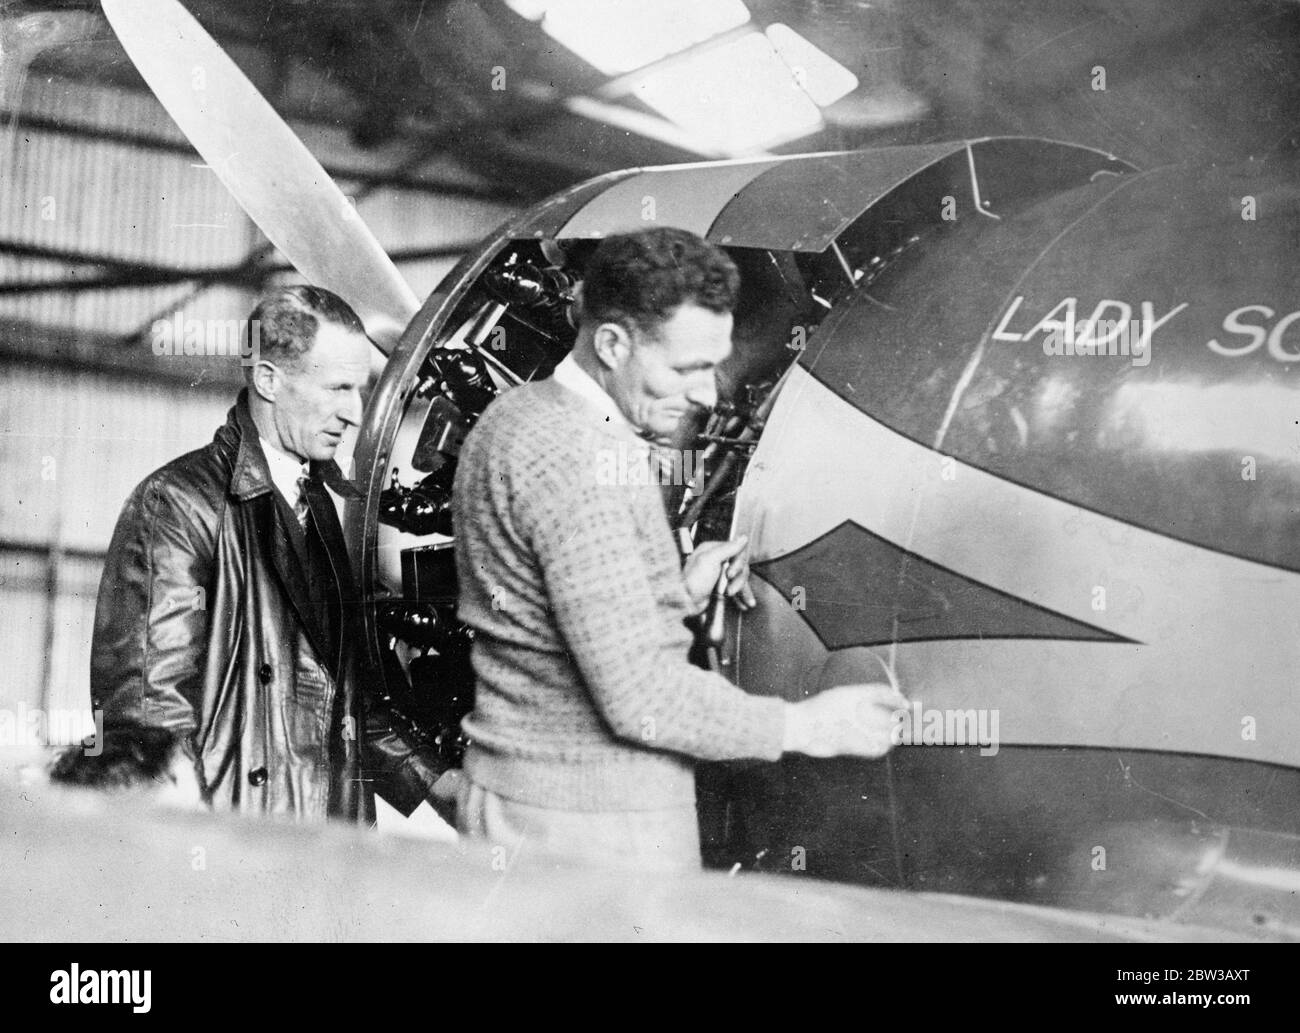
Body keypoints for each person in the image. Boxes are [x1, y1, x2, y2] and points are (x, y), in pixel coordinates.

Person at [450, 227, 906, 871]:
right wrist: (811, 727)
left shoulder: (515, 418)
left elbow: (540, 614)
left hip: (518, 804)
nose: (708, 394)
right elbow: (645, 701)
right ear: (612, 343)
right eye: (685, 368)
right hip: (594, 833)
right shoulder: (588, 461)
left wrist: (672, 593)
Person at [57, 285, 444, 823]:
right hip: (233, 836)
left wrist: (439, 785)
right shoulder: (178, 504)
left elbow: (343, 693)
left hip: (325, 842)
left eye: (359, 391)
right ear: (268, 379)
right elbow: (148, 712)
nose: (354, 414)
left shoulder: (320, 509)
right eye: (336, 389)